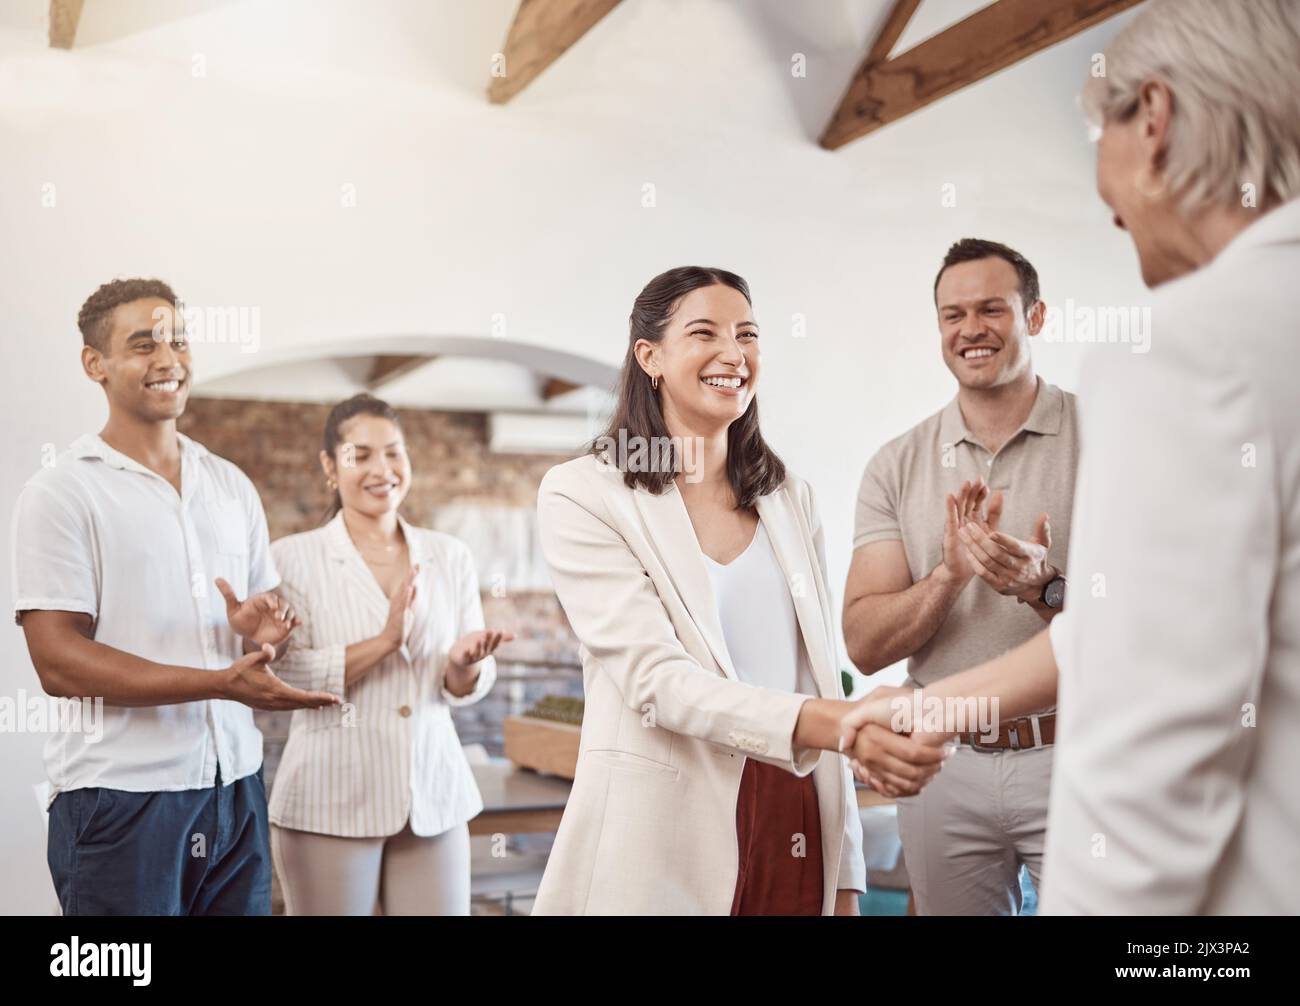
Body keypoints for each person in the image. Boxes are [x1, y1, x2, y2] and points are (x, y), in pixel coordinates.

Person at [843, 0, 1300, 915]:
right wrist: (929, 700)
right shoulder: (898, 458)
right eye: (951, 314)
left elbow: (1154, 712)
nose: (1108, 195)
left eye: (1100, 132)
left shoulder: (1185, 350)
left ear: (1156, 119)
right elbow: (1124, 635)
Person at [532, 266, 946, 916]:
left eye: (747, 334)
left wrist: (846, 876)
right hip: (663, 823)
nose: (734, 353)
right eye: (705, 333)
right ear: (651, 356)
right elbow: (655, 680)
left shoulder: (788, 498)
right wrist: (838, 723)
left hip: (796, 801)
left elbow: (816, 677)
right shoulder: (584, 493)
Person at [12, 278, 337, 916]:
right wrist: (220, 681)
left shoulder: (230, 485)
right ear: (95, 363)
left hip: (235, 788)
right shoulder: (62, 493)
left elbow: (255, 626)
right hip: (120, 799)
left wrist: (257, 634)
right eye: (143, 345)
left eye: (179, 341)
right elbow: (57, 662)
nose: (169, 360)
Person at [841, 239, 1077, 915]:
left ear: (1035, 318)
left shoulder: (1105, 436)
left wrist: (1046, 588)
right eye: (953, 314)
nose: (970, 328)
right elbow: (864, 643)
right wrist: (948, 574)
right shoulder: (897, 464)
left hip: (1074, 752)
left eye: (992, 309)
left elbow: (1142, 626)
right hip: (945, 763)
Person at [267, 393, 512, 915]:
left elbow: (464, 680)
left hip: (433, 794)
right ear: (330, 466)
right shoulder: (293, 558)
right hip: (329, 798)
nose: (382, 469)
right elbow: (285, 678)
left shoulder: (450, 555)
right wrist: (384, 641)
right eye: (361, 455)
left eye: (394, 452)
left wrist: (464, 665)